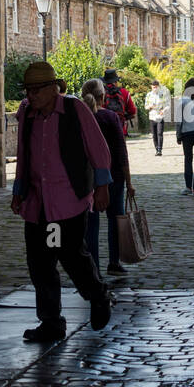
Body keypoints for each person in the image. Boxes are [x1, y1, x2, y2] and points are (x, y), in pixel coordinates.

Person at [10, 61, 113, 342]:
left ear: (53, 88)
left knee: (70, 257)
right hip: (38, 203)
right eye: (28, 90)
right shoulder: (26, 114)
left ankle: (98, 295)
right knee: (40, 263)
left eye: (37, 90)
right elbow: (23, 154)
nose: (31, 95)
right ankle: (51, 322)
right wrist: (18, 190)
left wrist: (102, 186)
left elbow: (98, 148)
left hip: (67, 202)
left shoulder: (73, 109)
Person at [80, 78, 133, 275]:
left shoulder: (79, 117)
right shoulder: (110, 117)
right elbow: (121, 151)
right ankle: (114, 262)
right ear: (103, 97)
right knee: (115, 221)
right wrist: (129, 180)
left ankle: (93, 266)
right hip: (113, 177)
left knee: (91, 225)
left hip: (88, 177)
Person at [102, 68, 137, 136]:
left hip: (104, 129)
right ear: (116, 81)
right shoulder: (124, 92)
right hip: (120, 128)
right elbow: (132, 111)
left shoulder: (101, 92)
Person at [145, 79, 170, 156]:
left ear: (158, 87)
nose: (155, 88)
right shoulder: (149, 95)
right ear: (151, 87)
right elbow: (145, 106)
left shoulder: (162, 94)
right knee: (154, 135)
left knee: (160, 133)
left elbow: (167, 105)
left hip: (160, 116)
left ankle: (159, 150)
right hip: (152, 116)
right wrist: (150, 106)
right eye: (153, 87)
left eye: (156, 87)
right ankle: (156, 148)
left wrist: (164, 110)